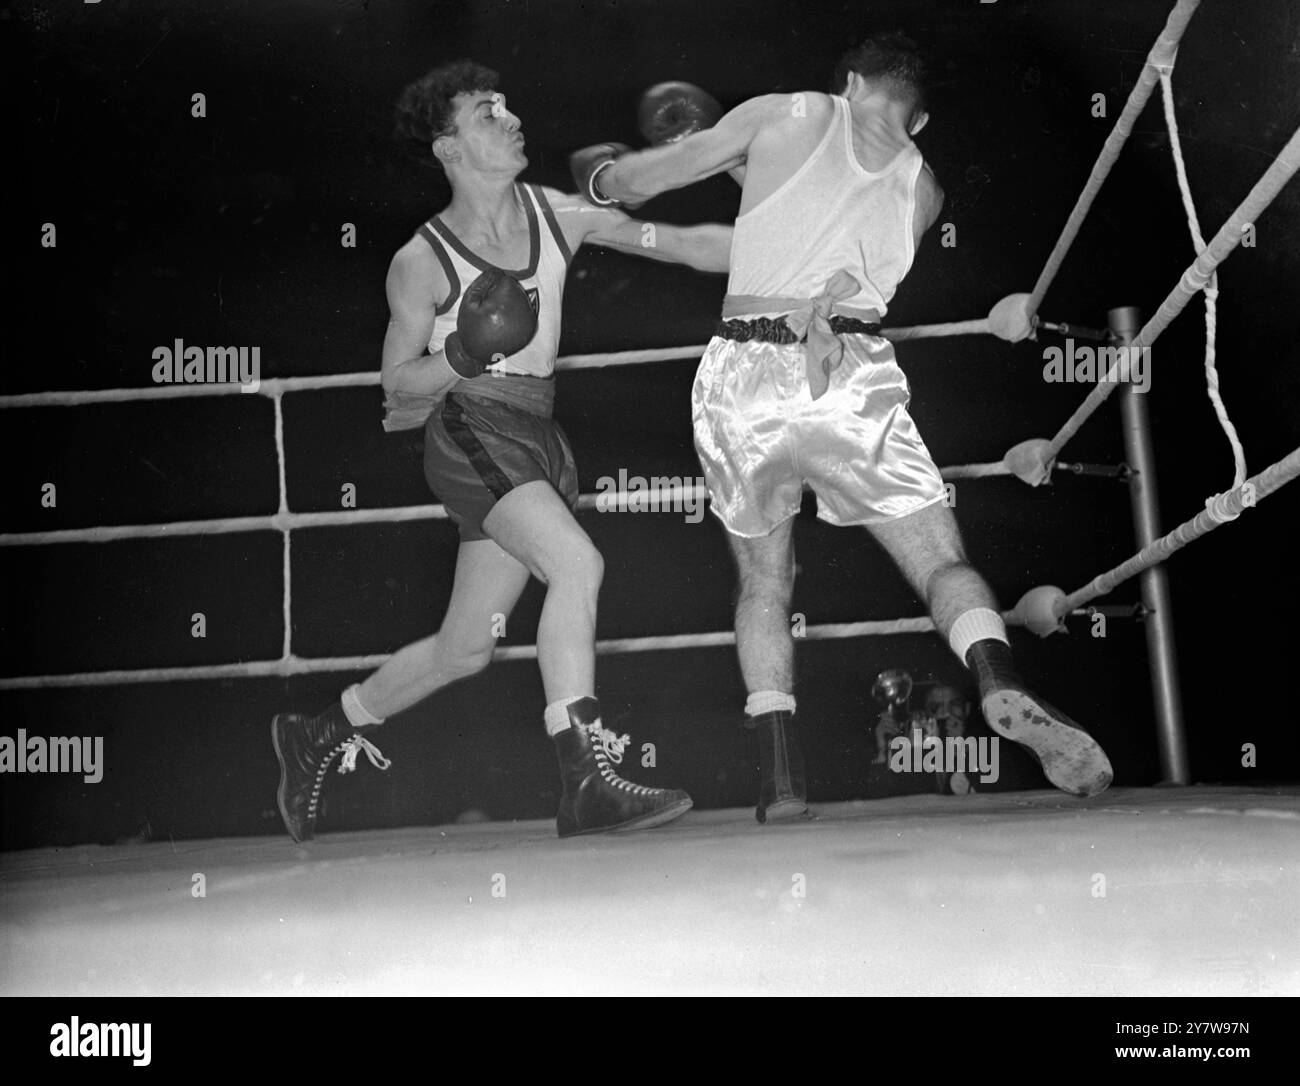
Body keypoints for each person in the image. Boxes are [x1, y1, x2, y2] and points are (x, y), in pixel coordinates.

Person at [569, 32, 1113, 823]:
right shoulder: (924, 188)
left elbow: (660, 185)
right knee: (940, 563)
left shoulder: (786, 111)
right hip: (851, 379)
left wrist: (605, 176)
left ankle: (781, 780)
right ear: (918, 120)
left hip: (743, 379)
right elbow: (816, 225)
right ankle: (999, 678)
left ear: (849, 80)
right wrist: (737, 168)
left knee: (764, 582)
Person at [273, 60, 733, 842]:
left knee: (464, 648)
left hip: (539, 433)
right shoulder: (422, 261)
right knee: (578, 565)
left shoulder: (556, 213)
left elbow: (684, 244)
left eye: (509, 104)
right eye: (489, 111)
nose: (512, 116)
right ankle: (585, 779)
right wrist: (462, 354)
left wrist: (796, 254)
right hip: (472, 432)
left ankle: (320, 731)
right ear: (449, 146)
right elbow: (397, 392)